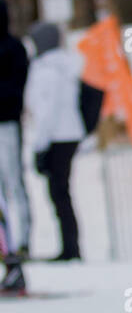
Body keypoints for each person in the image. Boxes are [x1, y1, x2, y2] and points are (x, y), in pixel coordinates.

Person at [24, 22, 85, 262]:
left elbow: (45, 112)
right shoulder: (65, 67)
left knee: (59, 193)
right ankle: (70, 246)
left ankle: (70, 248)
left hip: (56, 137)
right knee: (62, 193)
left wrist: (40, 147)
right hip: (68, 134)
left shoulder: (47, 71)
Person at [0, 0, 31, 293]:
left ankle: (18, 250)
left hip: (6, 126)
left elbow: (15, 90)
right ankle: (9, 255)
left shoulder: (12, 49)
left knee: (12, 187)